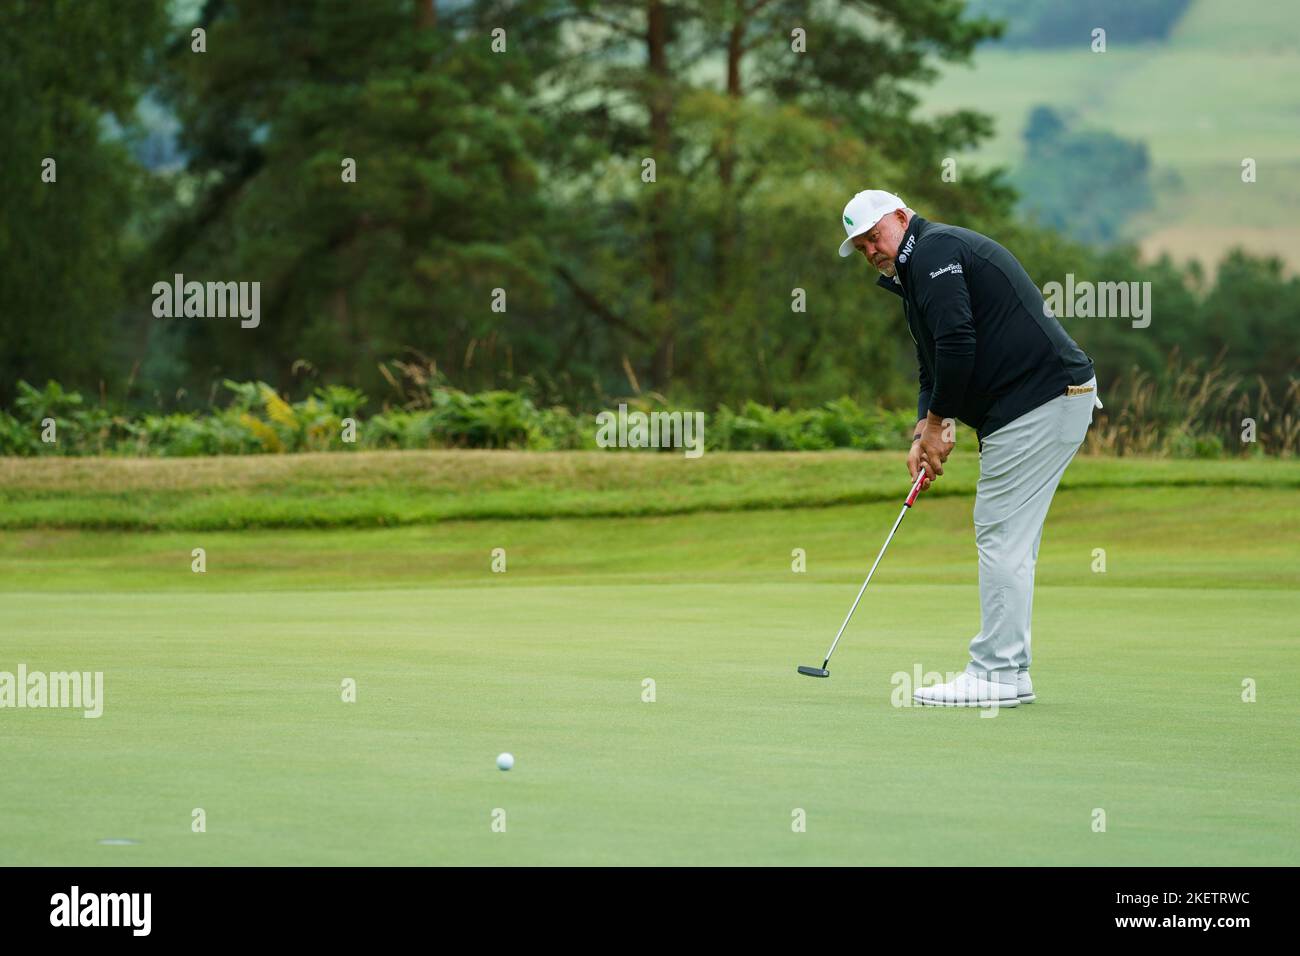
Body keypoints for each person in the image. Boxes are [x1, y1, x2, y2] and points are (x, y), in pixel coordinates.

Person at [838, 190, 1101, 707]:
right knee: (1011, 538)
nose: (872, 250)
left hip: (1038, 401)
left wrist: (941, 421)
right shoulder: (915, 273)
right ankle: (1011, 670)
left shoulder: (934, 251)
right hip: (1048, 400)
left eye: (875, 235)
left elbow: (959, 341)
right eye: (861, 246)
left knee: (1000, 532)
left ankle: (996, 672)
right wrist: (925, 428)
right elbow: (932, 359)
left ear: (900, 216)